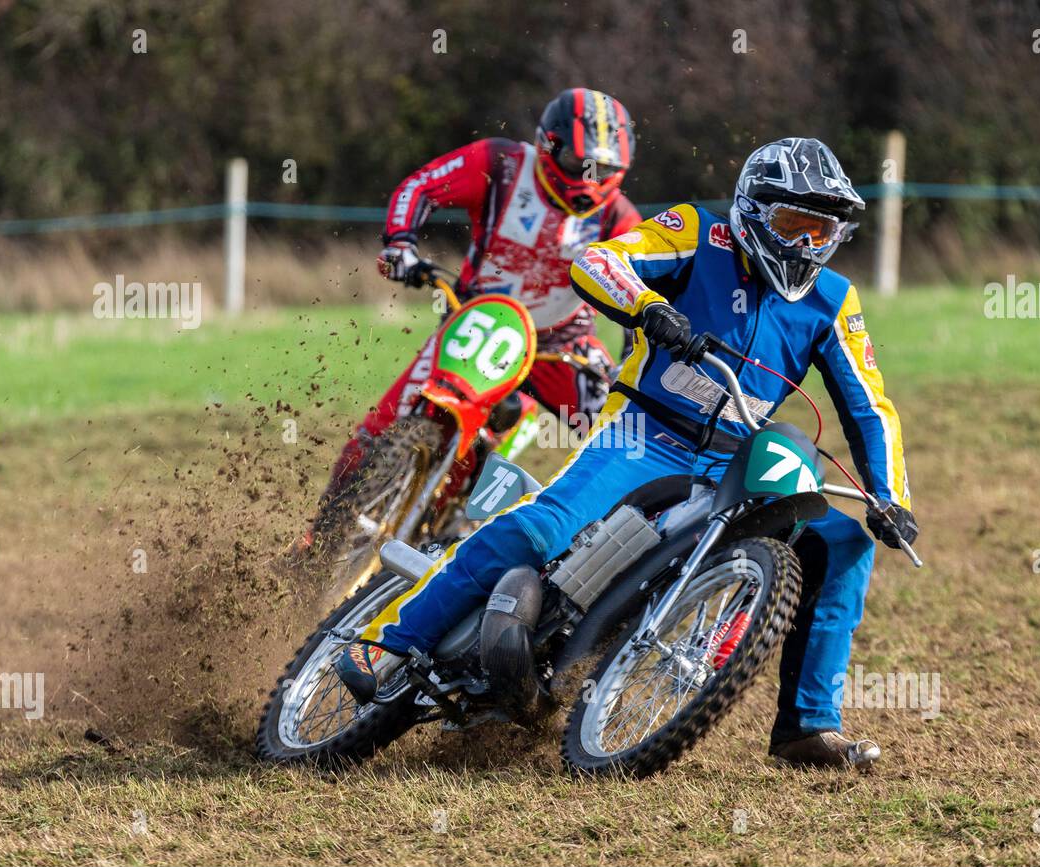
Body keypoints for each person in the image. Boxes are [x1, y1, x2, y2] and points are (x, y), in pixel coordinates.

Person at [336, 137, 918, 771]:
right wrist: (651, 308)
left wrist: (891, 499)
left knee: (843, 543)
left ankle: (809, 724)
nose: (806, 243)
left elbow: (870, 407)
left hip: (735, 457)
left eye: (821, 230)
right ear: (753, 209)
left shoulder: (834, 299)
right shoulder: (701, 231)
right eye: (792, 225)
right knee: (545, 528)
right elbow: (598, 261)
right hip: (643, 430)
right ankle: (394, 641)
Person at [315, 89, 641, 512]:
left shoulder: (620, 219)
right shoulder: (501, 165)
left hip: (563, 345)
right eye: (578, 165)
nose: (588, 179)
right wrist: (401, 244)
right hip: (478, 319)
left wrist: (632, 367)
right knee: (379, 431)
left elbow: (638, 297)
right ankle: (317, 540)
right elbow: (421, 187)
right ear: (548, 147)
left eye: (603, 170)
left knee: (628, 437)